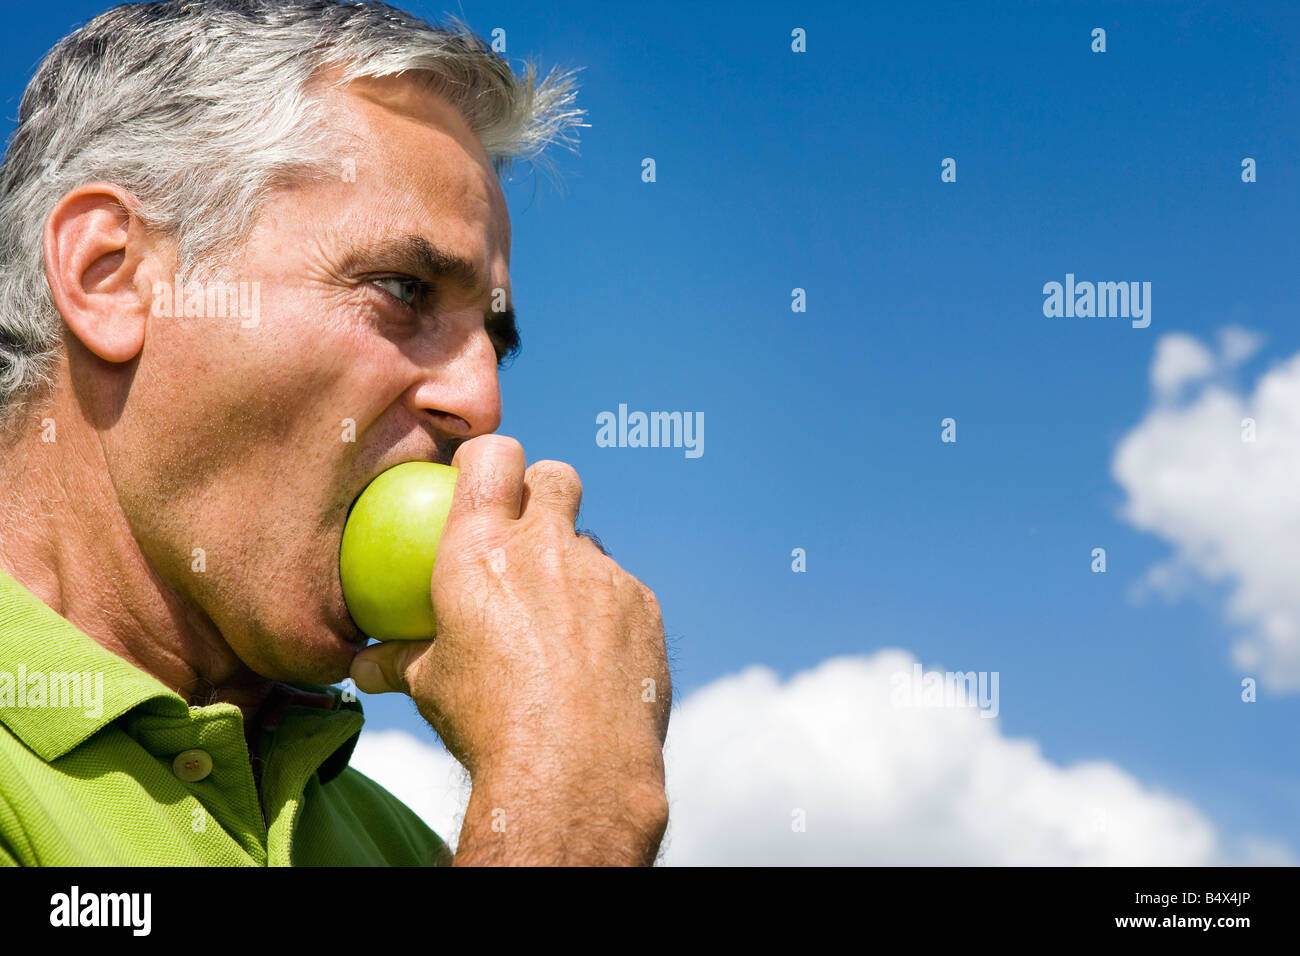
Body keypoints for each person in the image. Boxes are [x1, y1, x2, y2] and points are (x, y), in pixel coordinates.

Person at [0, 0, 671, 866]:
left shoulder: (403, 848)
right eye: (404, 288)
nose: (481, 405)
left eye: (493, 344)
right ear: (112, 278)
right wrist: (569, 817)